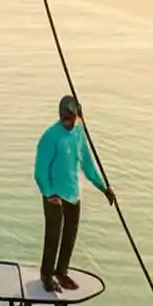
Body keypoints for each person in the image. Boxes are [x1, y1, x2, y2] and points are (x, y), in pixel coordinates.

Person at [32, 95, 115, 292]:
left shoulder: (79, 132)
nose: (66, 121)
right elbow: (40, 170)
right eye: (63, 117)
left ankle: (61, 272)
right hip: (54, 195)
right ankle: (46, 275)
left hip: (73, 193)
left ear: (77, 116)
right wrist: (48, 194)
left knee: (70, 234)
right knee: (53, 236)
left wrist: (103, 187)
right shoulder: (50, 136)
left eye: (70, 117)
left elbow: (87, 164)